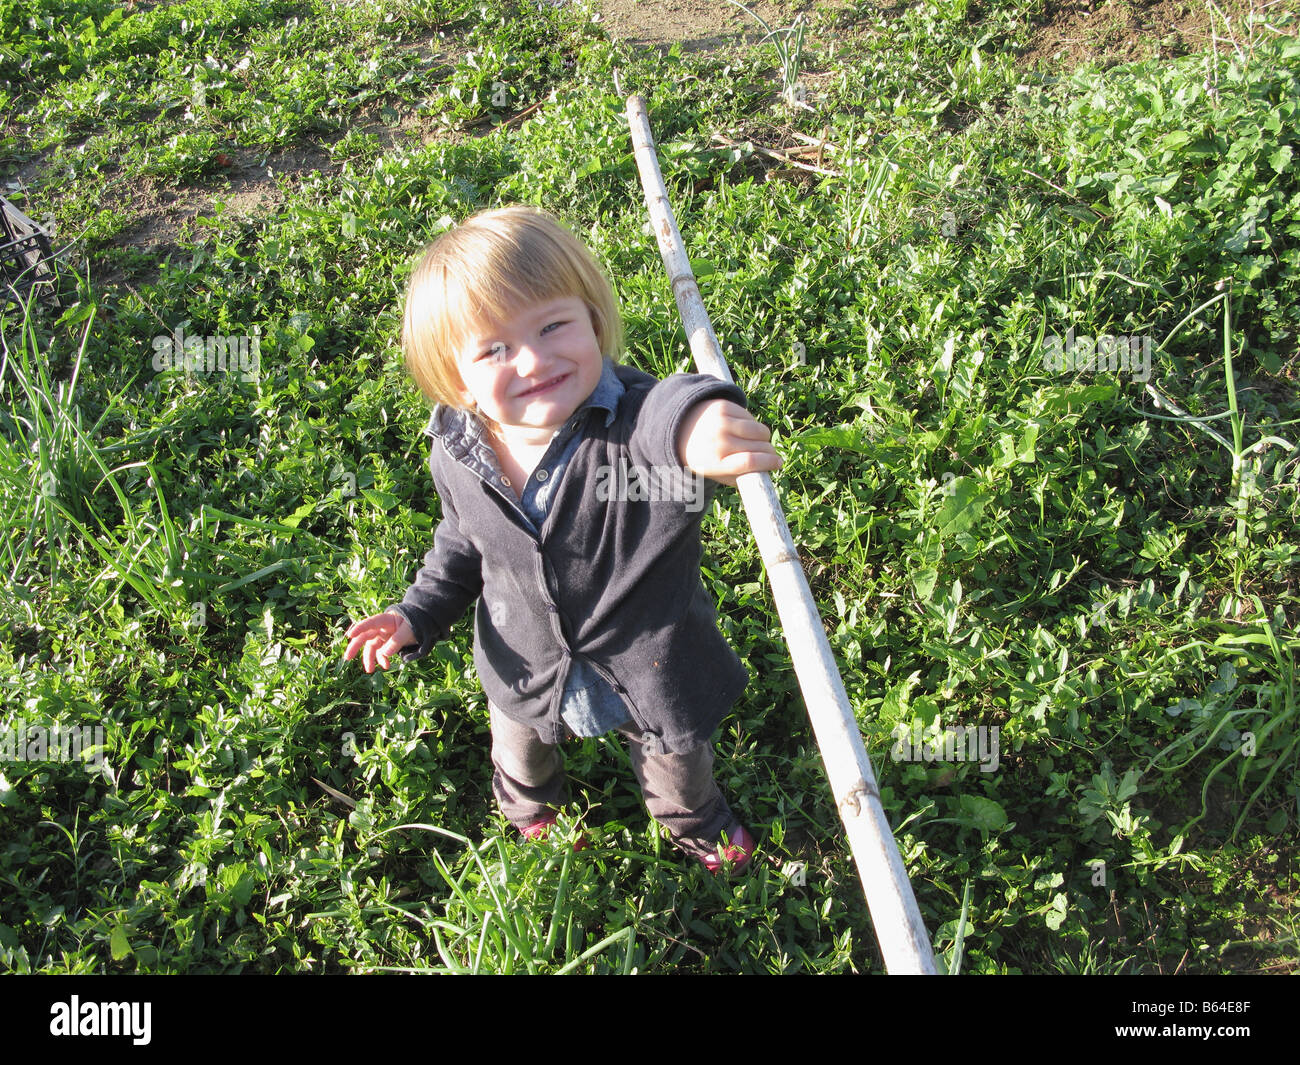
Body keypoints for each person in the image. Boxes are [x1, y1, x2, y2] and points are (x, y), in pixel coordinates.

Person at [343, 205, 783, 872]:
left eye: (554, 325)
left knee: (676, 763)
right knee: (519, 751)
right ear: (458, 380)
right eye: (493, 349)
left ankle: (695, 822)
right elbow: (461, 545)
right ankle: (530, 810)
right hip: (525, 664)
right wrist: (418, 613)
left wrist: (695, 426)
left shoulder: (632, 422)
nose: (535, 359)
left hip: (652, 667)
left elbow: (664, 411)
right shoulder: (458, 451)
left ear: (592, 319)